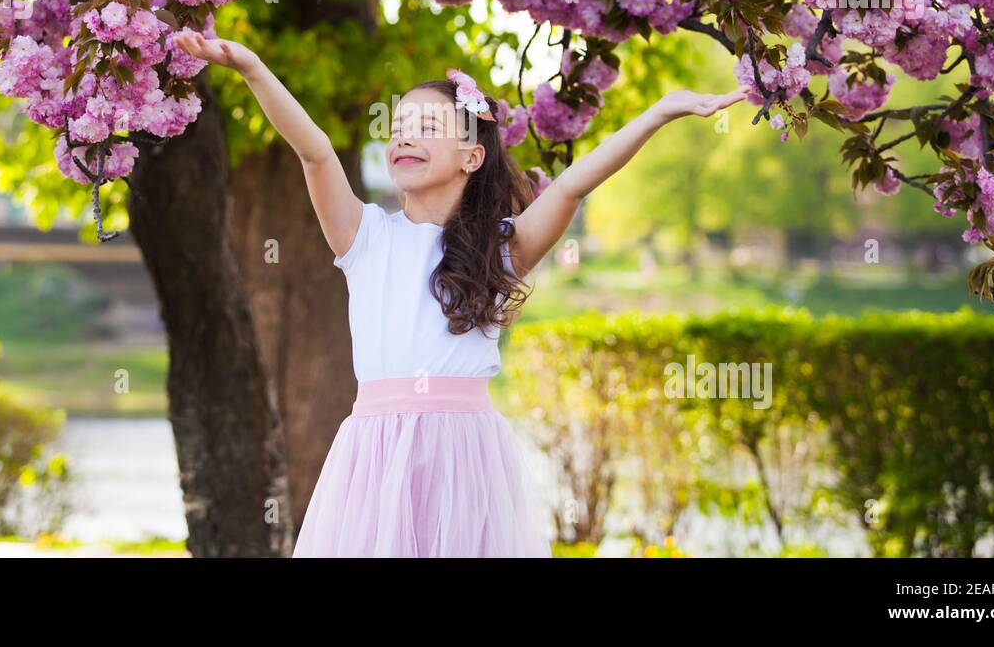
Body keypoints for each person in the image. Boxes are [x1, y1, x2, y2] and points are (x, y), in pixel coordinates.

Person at [175, 31, 747, 557]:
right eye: (398, 126)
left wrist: (660, 112)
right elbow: (316, 152)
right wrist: (251, 68)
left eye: (427, 128)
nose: (404, 136)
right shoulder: (365, 236)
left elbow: (573, 184)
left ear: (471, 157)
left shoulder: (500, 248)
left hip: (465, 454)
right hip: (375, 456)